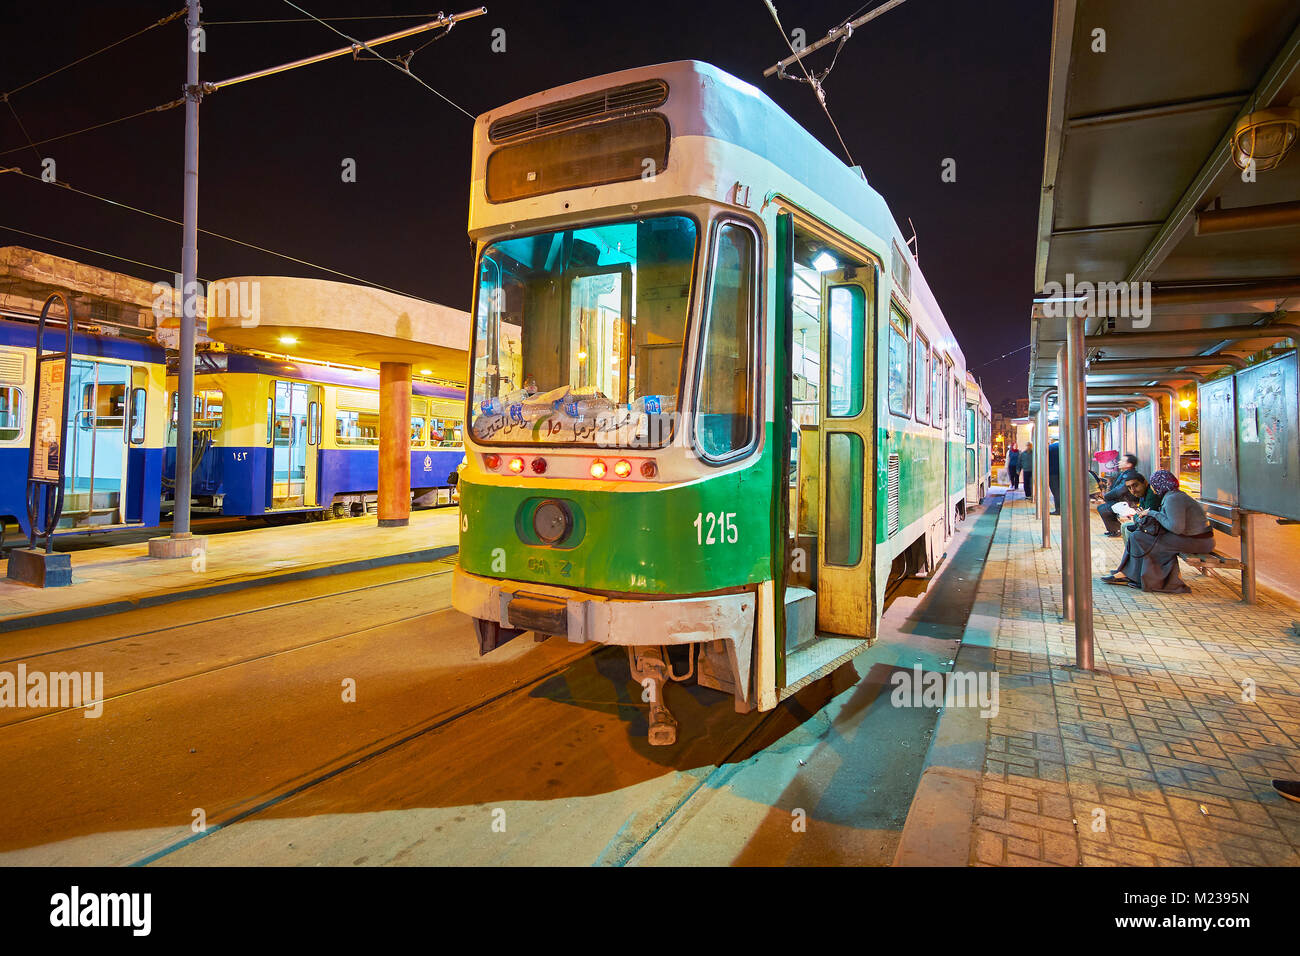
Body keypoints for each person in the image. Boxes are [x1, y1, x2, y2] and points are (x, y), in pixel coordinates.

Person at [1101, 470, 1215, 593]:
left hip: (1198, 541)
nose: (1153, 489)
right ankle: (1132, 575)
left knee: (1143, 539)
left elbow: (1175, 528)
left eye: (1154, 486)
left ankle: (1152, 580)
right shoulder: (1173, 496)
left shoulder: (1174, 499)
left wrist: (1152, 513)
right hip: (1194, 538)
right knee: (1137, 536)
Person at [1097, 453, 1139, 537]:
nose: (1119, 462)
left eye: (1122, 461)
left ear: (1129, 464)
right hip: (1122, 500)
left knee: (1104, 509)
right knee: (1103, 508)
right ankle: (1114, 529)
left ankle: (1116, 530)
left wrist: (1107, 496)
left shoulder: (1129, 475)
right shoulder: (1124, 473)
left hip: (1128, 503)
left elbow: (1119, 490)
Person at [1118, 473, 1160, 544]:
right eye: (1129, 488)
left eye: (1135, 485)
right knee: (1124, 526)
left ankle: (1135, 554)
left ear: (1145, 483)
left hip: (1158, 530)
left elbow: (1147, 520)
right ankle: (1130, 554)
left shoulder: (1151, 494)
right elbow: (1138, 515)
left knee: (1129, 531)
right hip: (1149, 525)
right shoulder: (1143, 494)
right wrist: (1139, 515)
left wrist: (1140, 516)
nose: (1133, 490)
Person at [1047, 440, 1060, 514]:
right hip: (1063, 472)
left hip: (1052, 473)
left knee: (1056, 491)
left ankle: (1058, 509)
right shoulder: (1064, 447)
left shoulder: (1050, 448)